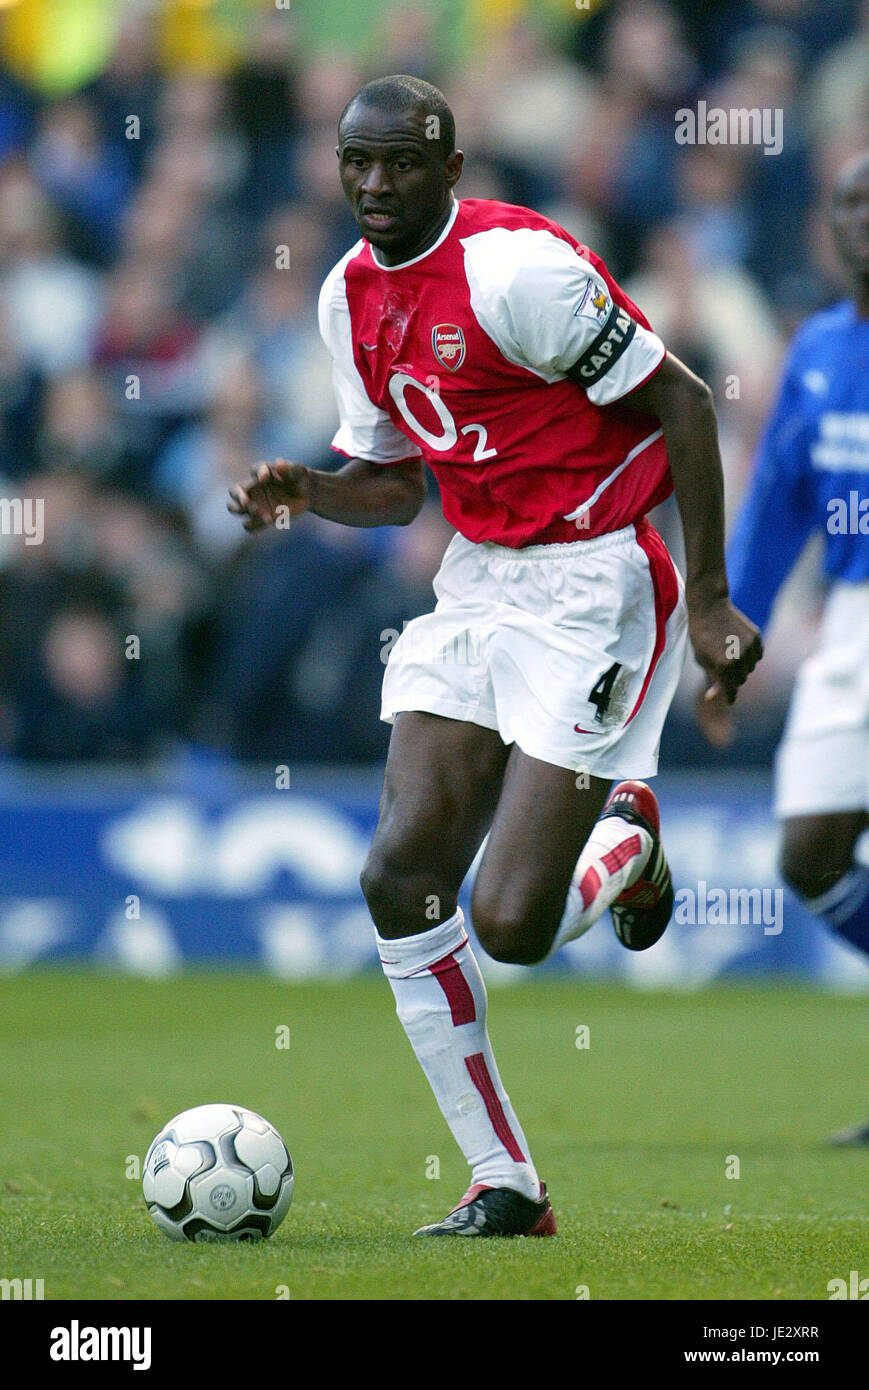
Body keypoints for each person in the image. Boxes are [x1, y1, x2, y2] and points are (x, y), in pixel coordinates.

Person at [228, 75, 761, 1235]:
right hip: (476, 578)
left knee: (513, 923)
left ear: (451, 170)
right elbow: (394, 482)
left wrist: (713, 599)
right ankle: (504, 1181)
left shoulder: (518, 272)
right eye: (355, 163)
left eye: (400, 164)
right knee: (395, 876)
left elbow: (682, 406)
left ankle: (626, 840)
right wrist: (305, 491)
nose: (373, 185)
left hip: (595, 580)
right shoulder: (344, 298)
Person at [699, 150, 869, 1145]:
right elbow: (774, 510)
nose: (860, 217)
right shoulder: (812, 349)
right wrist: (728, 644)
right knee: (808, 852)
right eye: (846, 200)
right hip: (850, 614)